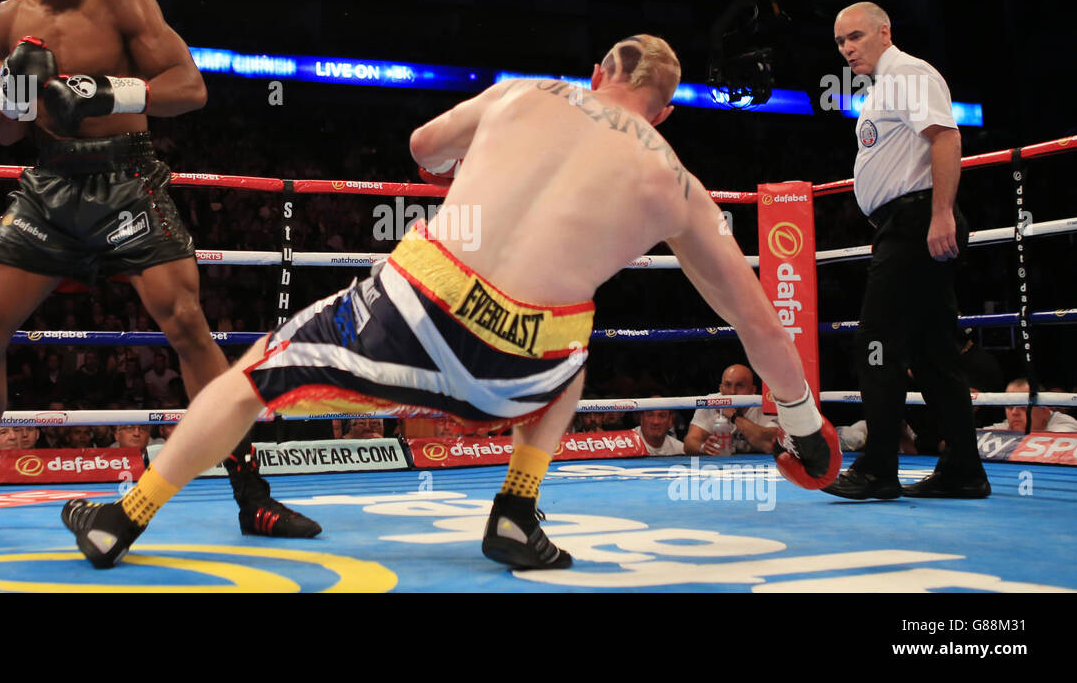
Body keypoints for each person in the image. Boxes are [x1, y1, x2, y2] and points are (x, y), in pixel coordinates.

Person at [62, 33, 839, 570]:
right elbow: (757, 320)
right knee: (572, 352)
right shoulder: (677, 185)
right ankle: (517, 512)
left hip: (413, 306)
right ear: (664, 111)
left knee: (250, 378)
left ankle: (123, 517)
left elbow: (423, 147)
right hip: (520, 367)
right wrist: (804, 428)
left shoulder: (519, 95)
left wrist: (462, 173)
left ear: (600, 71)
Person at [0, 0, 318, 540]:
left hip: (126, 179)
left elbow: (190, 87)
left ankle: (254, 496)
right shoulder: (7, 16)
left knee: (189, 324)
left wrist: (108, 89)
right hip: (49, 184)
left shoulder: (125, 2)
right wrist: (18, 94)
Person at [824, 2, 990, 500]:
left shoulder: (911, 73)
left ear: (883, 32)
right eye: (839, 42)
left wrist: (941, 213)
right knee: (934, 352)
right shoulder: (883, 89)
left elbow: (946, 138)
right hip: (905, 222)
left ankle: (877, 468)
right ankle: (963, 468)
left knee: (876, 342)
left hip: (916, 221)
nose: (847, 48)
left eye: (855, 37)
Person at [682, 363, 779, 455]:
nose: (732, 392)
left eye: (740, 385)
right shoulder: (710, 402)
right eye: (728, 385)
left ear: (752, 390)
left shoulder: (763, 405)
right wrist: (704, 447)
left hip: (758, 467)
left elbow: (769, 446)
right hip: (719, 465)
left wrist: (734, 417)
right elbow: (689, 443)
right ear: (721, 388)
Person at [986, 381, 1077, 433]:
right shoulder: (1006, 426)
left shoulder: (1065, 424)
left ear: (1044, 410)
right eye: (1010, 407)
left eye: (1023, 407)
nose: (1014, 412)